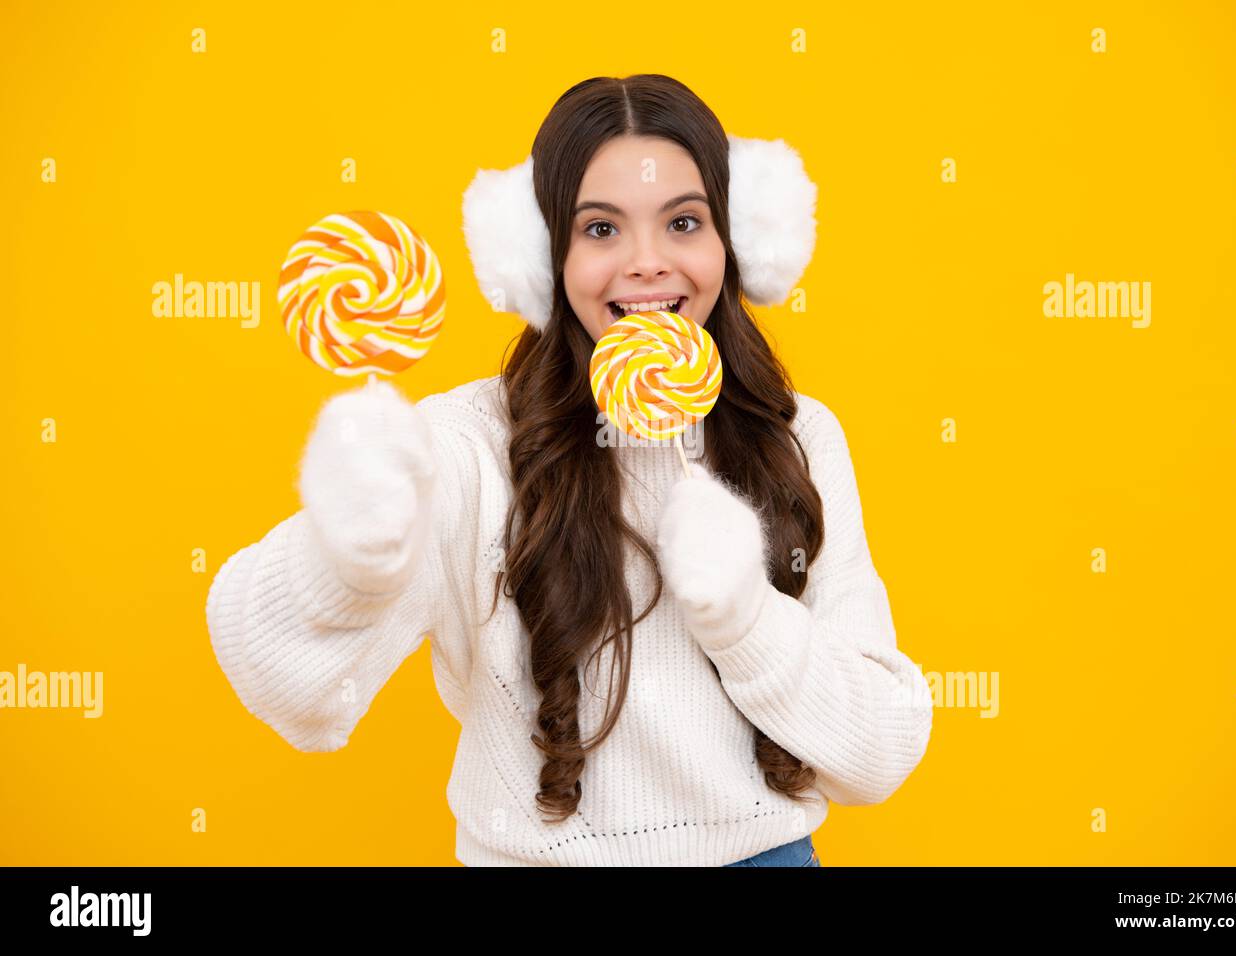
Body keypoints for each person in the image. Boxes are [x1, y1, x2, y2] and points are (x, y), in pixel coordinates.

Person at [206, 73, 932, 867]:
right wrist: (348, 554)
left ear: (739, 240)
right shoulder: (467, 447)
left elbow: (881, 751)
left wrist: (744, 618)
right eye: (600, 229)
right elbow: (281, 681)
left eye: (683, 222)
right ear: (541, 256)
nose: (648, 263)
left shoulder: (795, 440)